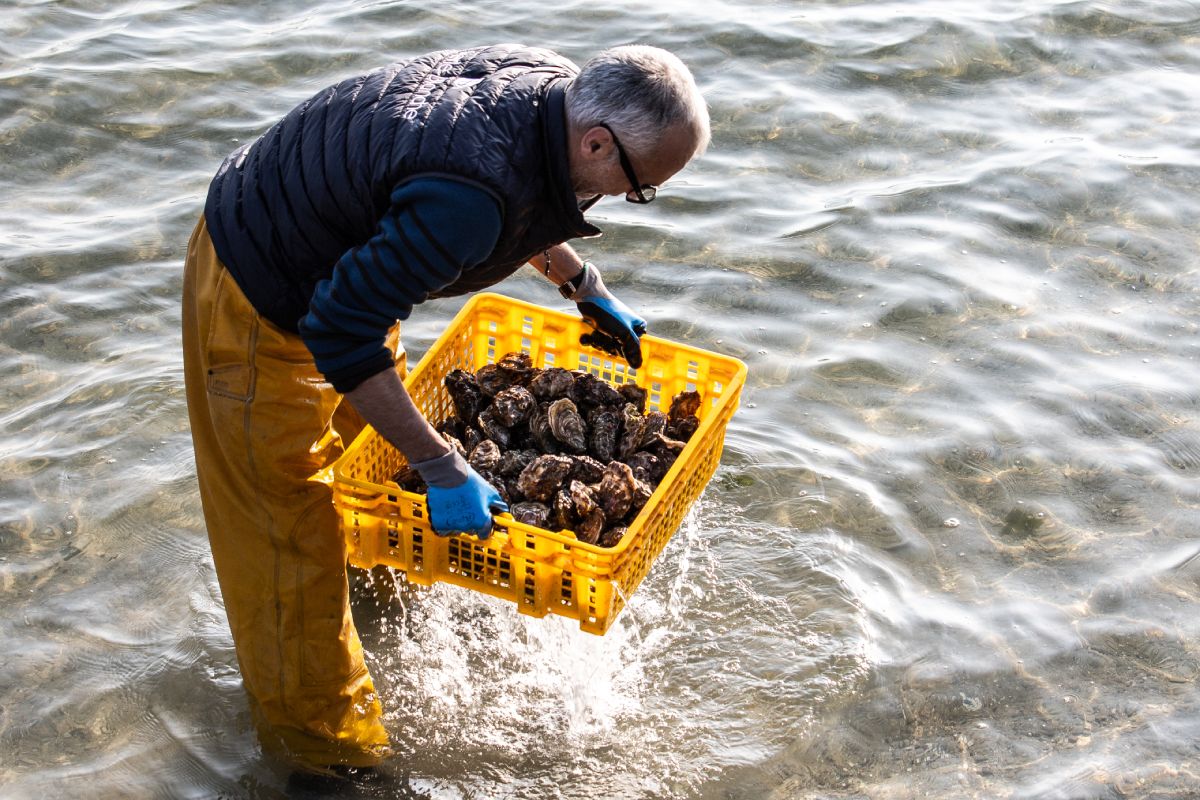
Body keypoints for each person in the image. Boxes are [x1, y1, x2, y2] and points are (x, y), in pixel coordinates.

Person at [181, 42, 710, 773]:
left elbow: (518, 191)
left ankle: (376, 605)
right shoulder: (468, 201)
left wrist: (582, 282)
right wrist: (443, 461)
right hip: (259, 284)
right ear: (596, 138)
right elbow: (342, 327)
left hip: (349, 266)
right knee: (285, 536)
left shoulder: (553, 92)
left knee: (377, 468)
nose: (630, 198)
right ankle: (326, 761)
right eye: (640, 186)